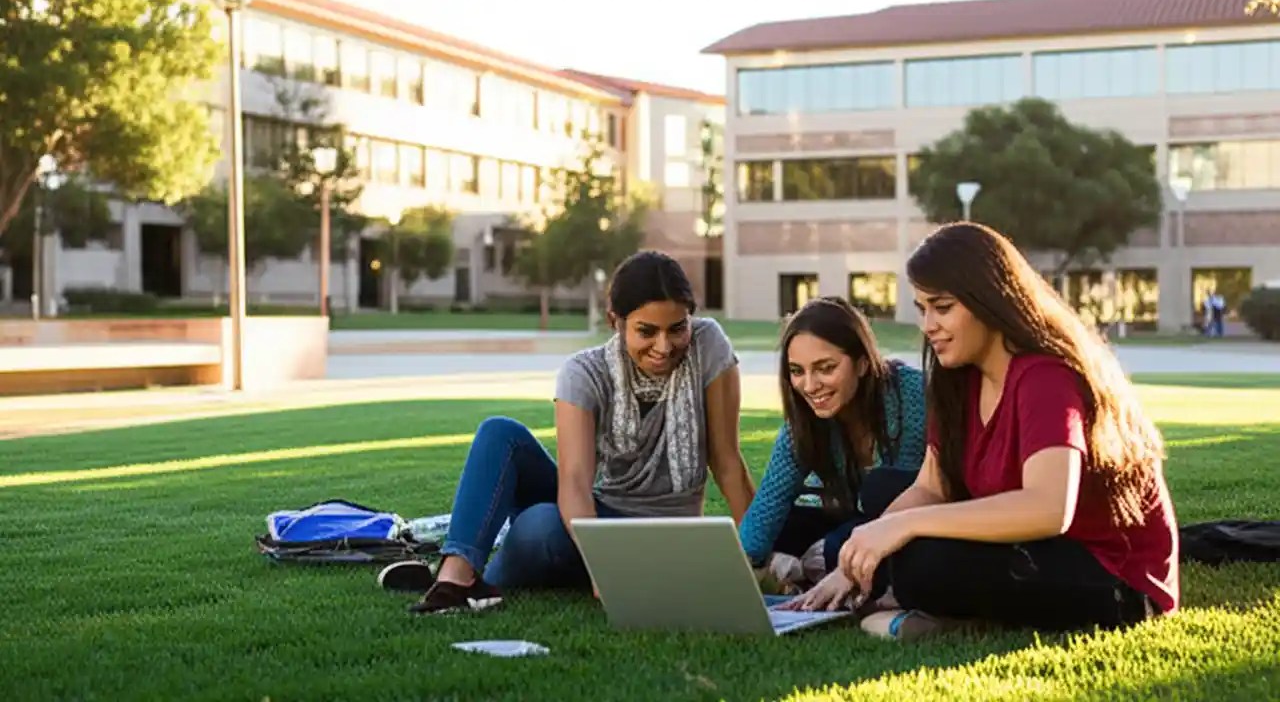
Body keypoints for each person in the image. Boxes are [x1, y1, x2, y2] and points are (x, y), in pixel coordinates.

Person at [839, 222, 1179, 640]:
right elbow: (930, 487)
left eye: (942, 307)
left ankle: (950, 622)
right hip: (1034, 548)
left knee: (921, 561)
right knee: (881, 492)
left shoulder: (1046, 376)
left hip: (1109, 575)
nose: (927, 325)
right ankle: (939, 609)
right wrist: (854, 563)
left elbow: (1049, 509)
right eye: (921, 307)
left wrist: (904, 528)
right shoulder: (959, 378)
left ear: (988, 299)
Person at [379, 250, 755, 614]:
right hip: (597, 519)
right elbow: (574, 481)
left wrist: (763, 551)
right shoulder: (585, 372)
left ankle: (475, 573)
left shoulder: (708, 345)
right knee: (502, 438)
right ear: (616, 322)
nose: (664, 346)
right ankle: (455, 579)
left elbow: (726, 462)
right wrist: (601, 560)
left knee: (539, 527)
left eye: (677, 328)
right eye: (646, 331)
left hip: (666, 534)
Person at [736, 296, 927, 611]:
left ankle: (812, 568)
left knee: (842, 539)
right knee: (780, 527)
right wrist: (739, 566)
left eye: (826, 368)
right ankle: (803, 567)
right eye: (797, 371)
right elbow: (771, 499)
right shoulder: (804, 421)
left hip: (907, 518)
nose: (810, 385)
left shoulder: (912, 395)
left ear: (863, 363)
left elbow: (899, 504)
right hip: (848, 515)